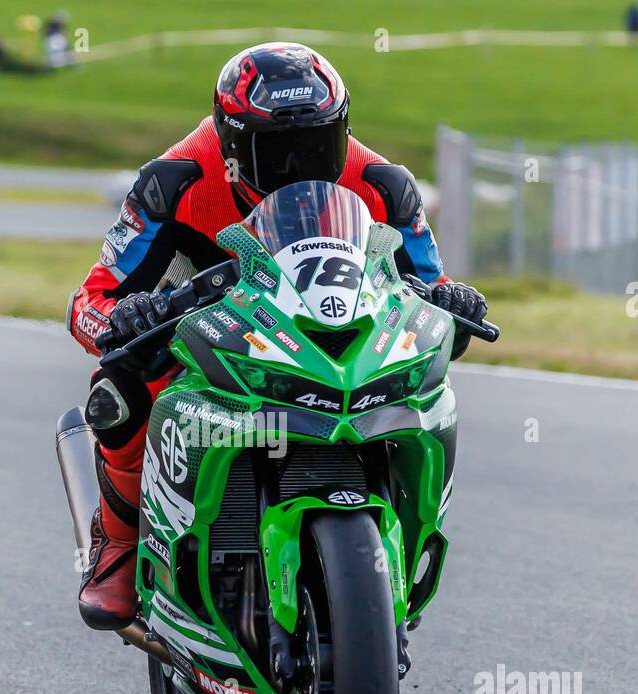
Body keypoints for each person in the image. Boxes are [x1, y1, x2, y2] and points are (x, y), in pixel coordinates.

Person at [67, 42, 488, 630]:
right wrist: (125, 318)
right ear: (233, 146)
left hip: (333, 325)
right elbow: (90, 299)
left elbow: (429, 283)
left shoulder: (385, 185)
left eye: (318, 148)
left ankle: (406, 538)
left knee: (427, 380)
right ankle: (116, 543)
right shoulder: (174, 181)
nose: (302, 168)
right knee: (117, 391)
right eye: (281, 155)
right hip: (211, 326)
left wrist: (451, 300)